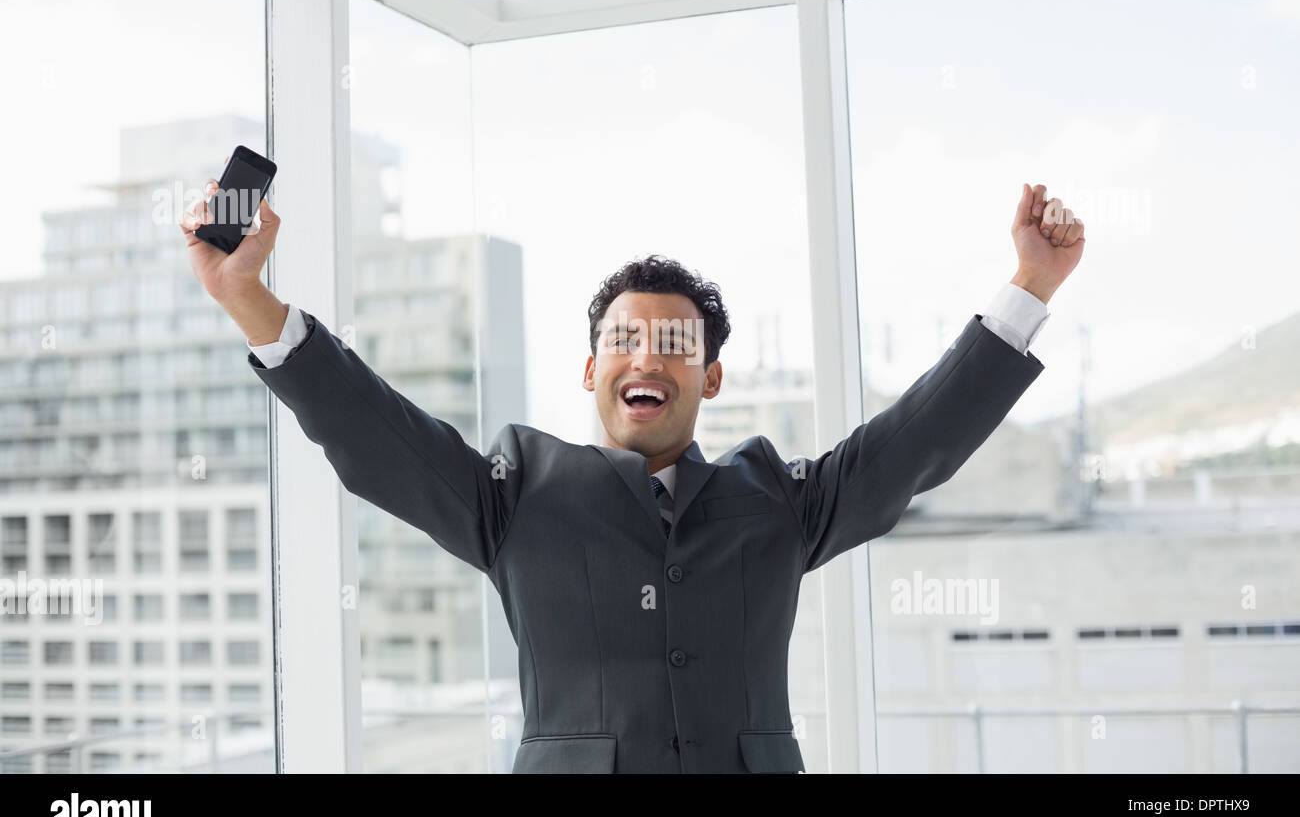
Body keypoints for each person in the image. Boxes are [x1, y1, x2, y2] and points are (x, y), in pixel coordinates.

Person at [180, 179, 1084, 773]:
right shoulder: (515, 491)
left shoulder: (780, 500)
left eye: (673, 343)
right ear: (590, 370)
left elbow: (912, 441)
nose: (645, 355)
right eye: (622, 339)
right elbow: (376, 433)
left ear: (710, 377)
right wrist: (250, 300)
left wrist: (1029, 287)